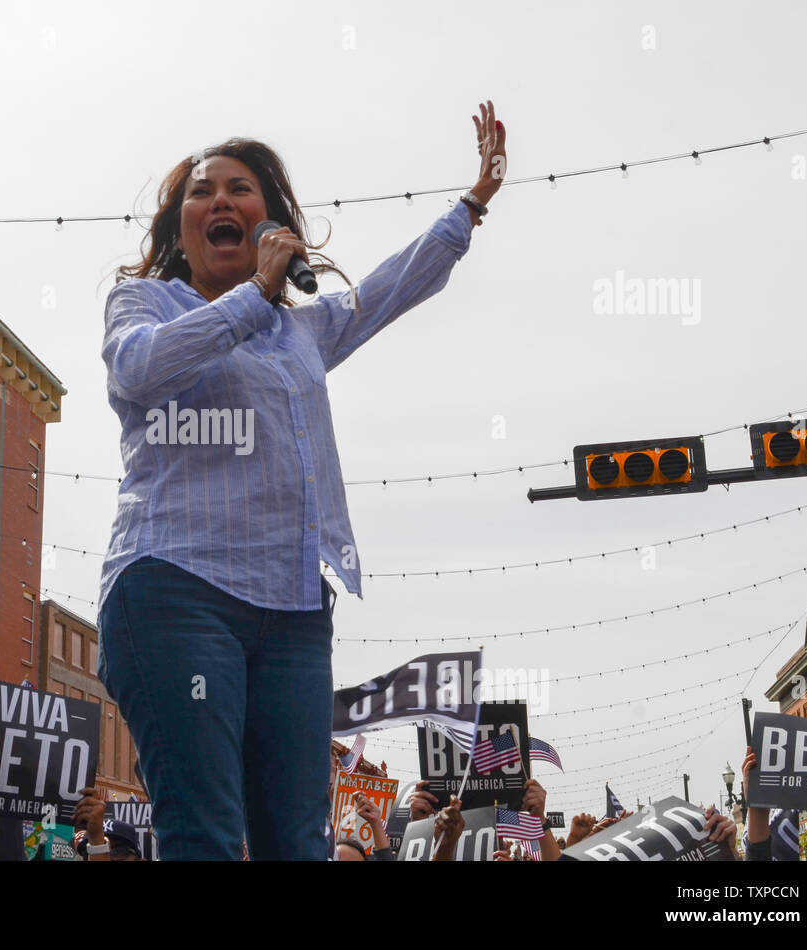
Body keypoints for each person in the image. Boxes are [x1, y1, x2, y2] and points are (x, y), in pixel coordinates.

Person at [97, 105, 507, 861]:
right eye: (200, 191)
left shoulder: (303, 331)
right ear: (179, 226)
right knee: (208, 836)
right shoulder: (147, 303)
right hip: (176, 592)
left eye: (240, 188)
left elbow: (389, 288)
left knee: (297, 841)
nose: (219, 199)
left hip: (290, 610)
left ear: (271, 221)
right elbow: (142, 369)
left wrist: (472, 204)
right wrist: (255, 292)